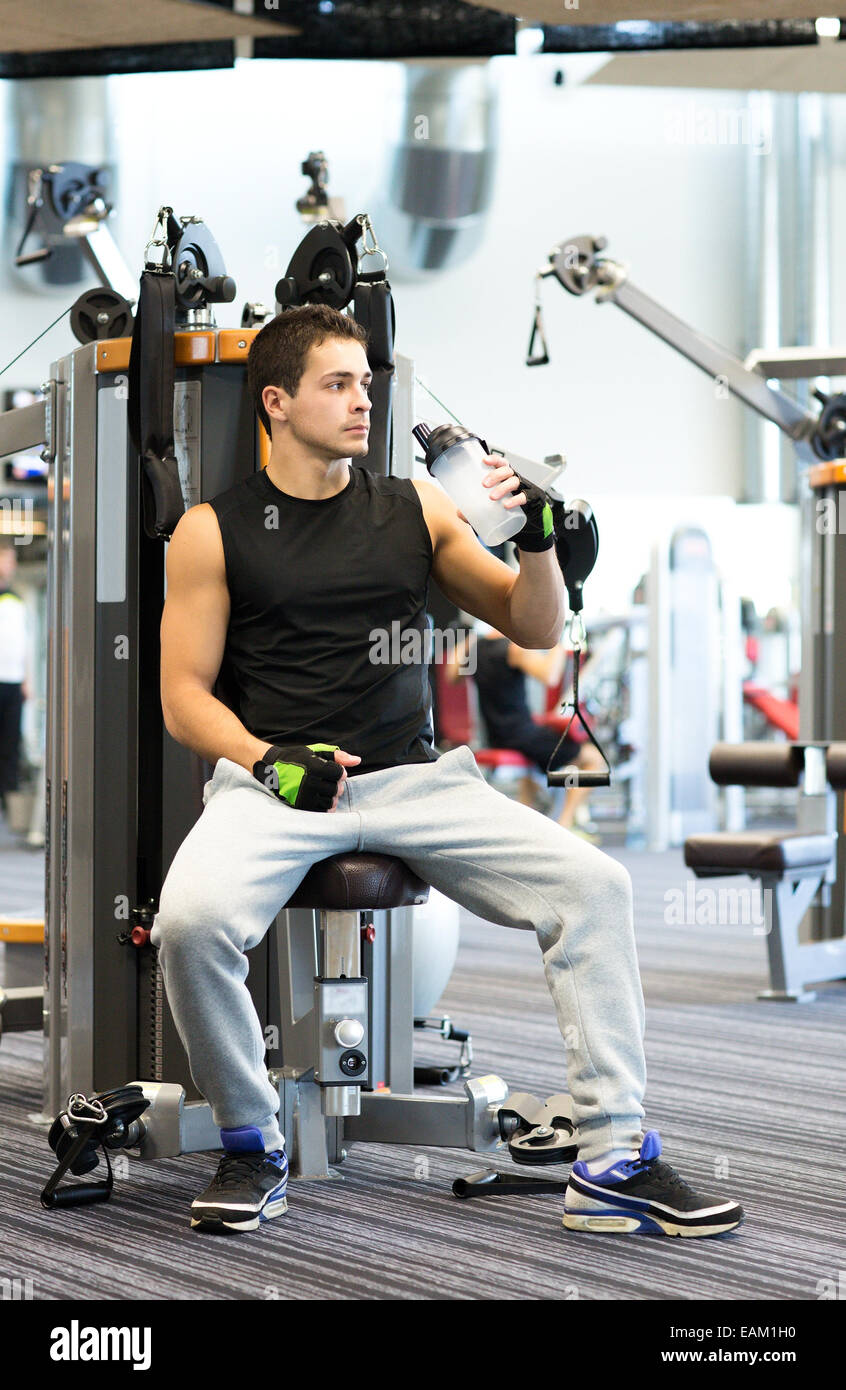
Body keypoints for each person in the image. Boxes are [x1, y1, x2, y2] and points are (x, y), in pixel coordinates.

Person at [152, 303, 743, 1239]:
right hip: (280, 784)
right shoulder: (212, 532)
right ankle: (250, 1139)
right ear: (276, 401)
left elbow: (534, 624)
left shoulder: (415, 507)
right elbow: (184, 697)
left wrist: (540, 542)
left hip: (418, 784)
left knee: (596, 885)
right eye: (337, 384)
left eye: (366, 381)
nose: (363, 400)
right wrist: (270, 759)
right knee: (188, 926)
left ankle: (614, 1156)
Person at [445, 626, 605, 835]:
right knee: (594, 759)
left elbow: (451, 675)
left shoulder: (476, 646)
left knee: (540, 749)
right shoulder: (514, 649)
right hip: (520, 736)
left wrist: (471, 638)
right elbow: (551, 677)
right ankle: (564, 826)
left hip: (496, 736)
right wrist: (556, 637)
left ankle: (525, 830)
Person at [0, 537, 29, 822]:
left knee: (11, 744)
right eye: (7, 559)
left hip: (13, 680)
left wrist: (26, 680)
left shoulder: (17, 599)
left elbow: (24, 643)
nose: (11, 566)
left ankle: (10, 805)